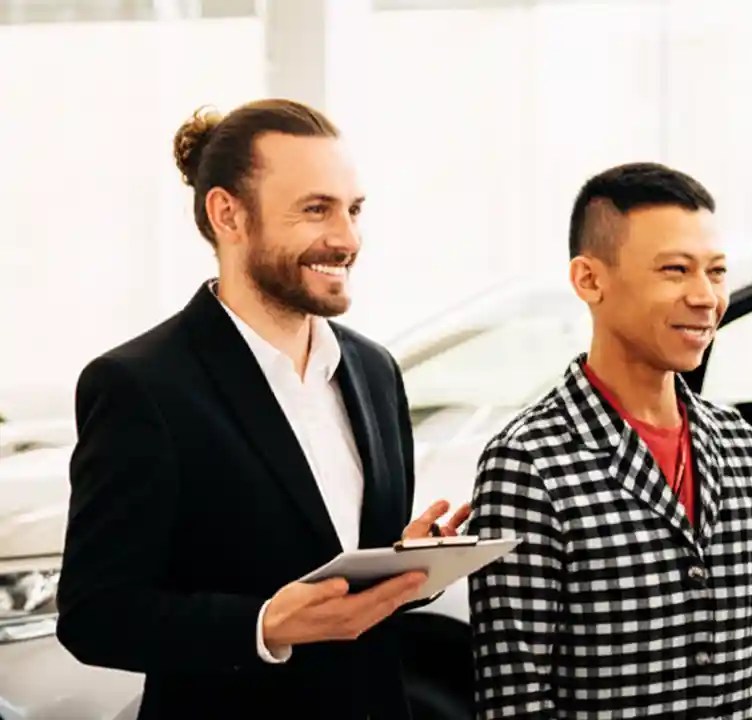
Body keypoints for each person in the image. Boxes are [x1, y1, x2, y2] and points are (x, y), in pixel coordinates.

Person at [56, 99, 470, 720]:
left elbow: (337, 583)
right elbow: (96, 615)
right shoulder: (140, 385)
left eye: (354, 210)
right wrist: (263, 624)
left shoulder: (374, 370)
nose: (347, 239)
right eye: (315, 210)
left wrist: (403, 564)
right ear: (228, 214)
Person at [467, 162, 752, 718]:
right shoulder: (528, 463)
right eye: (675, 270)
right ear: (589, 279)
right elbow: (515, 700)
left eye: (716, 272)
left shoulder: (741, 447)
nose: (705, 297)